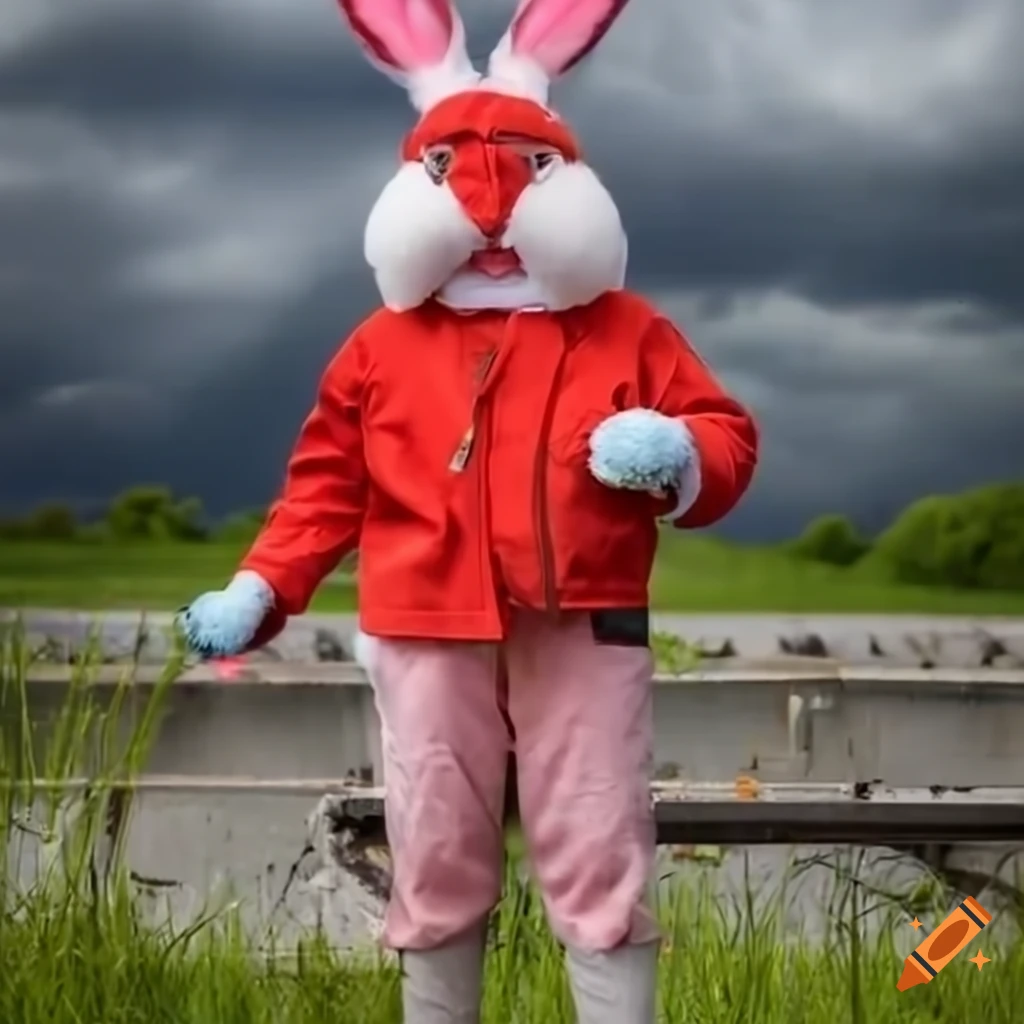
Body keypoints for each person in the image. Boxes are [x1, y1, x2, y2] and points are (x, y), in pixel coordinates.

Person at [179, 1, 759, 1020]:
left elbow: (725, 435)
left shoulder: (627, 328)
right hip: (422, 630)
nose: (494, 226)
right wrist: (260, 586)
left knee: (596, 839)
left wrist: (678, 453)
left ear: (566, 182)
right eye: (452, 177)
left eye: (529, 176)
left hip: (587, 624)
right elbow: (324, 489)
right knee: (436, 842)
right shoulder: (379, 345)